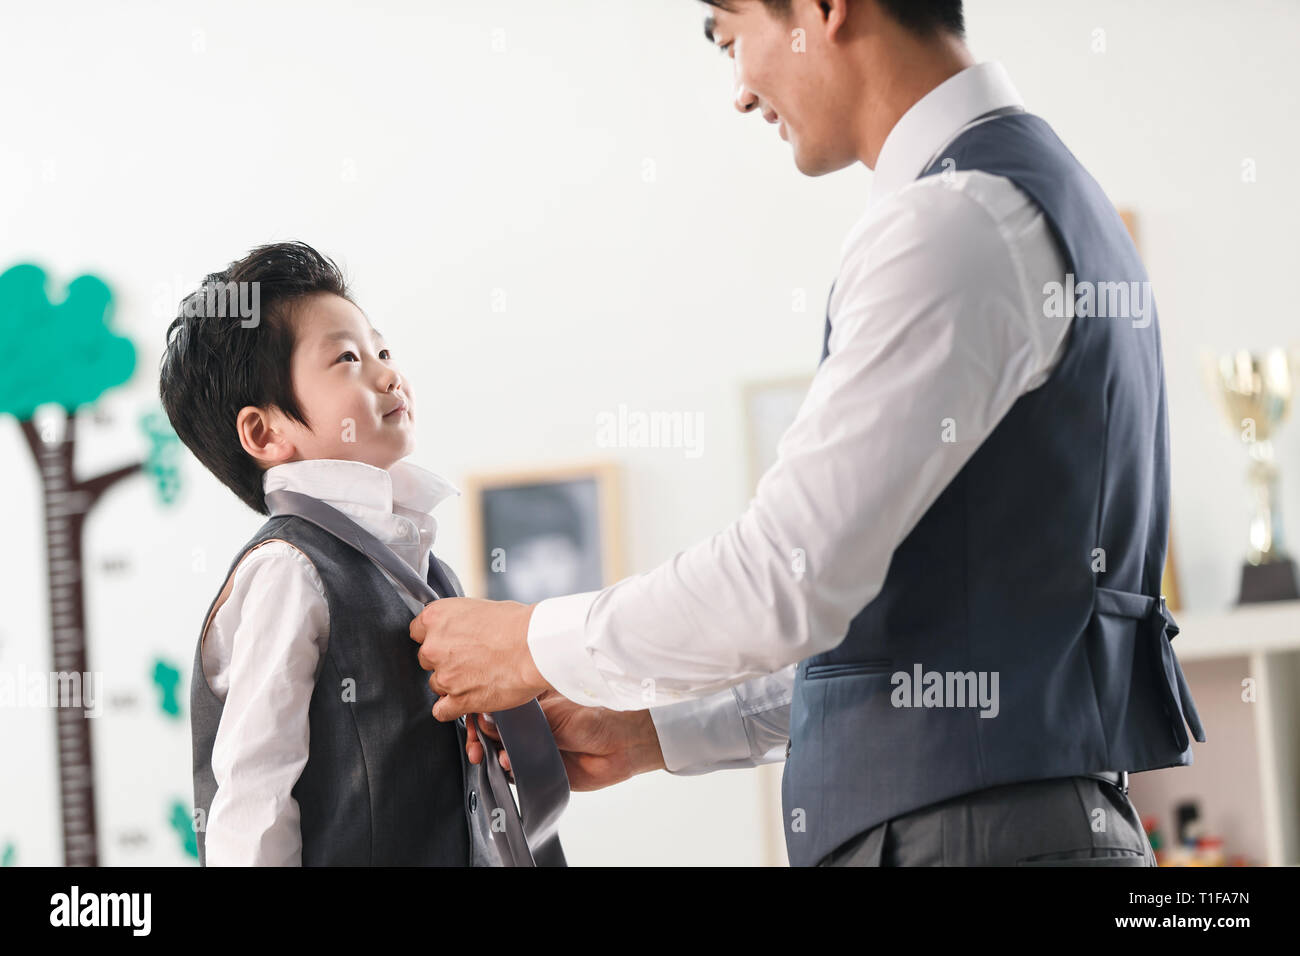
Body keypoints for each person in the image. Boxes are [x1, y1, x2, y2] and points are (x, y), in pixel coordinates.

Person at [410, 0, 1205, 866]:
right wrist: (653, 733)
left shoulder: (955, 221)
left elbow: (782, 579)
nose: (741, 91)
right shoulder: (1036, 201)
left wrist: (530, 645)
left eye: (728, 35)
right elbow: (920, 649)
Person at [160, 241, 485, 865]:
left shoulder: (421, 561)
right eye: (348, 358)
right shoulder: (290, 569)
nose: (389, 373)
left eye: (383, 351)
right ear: (265, 433)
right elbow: (255, 796)